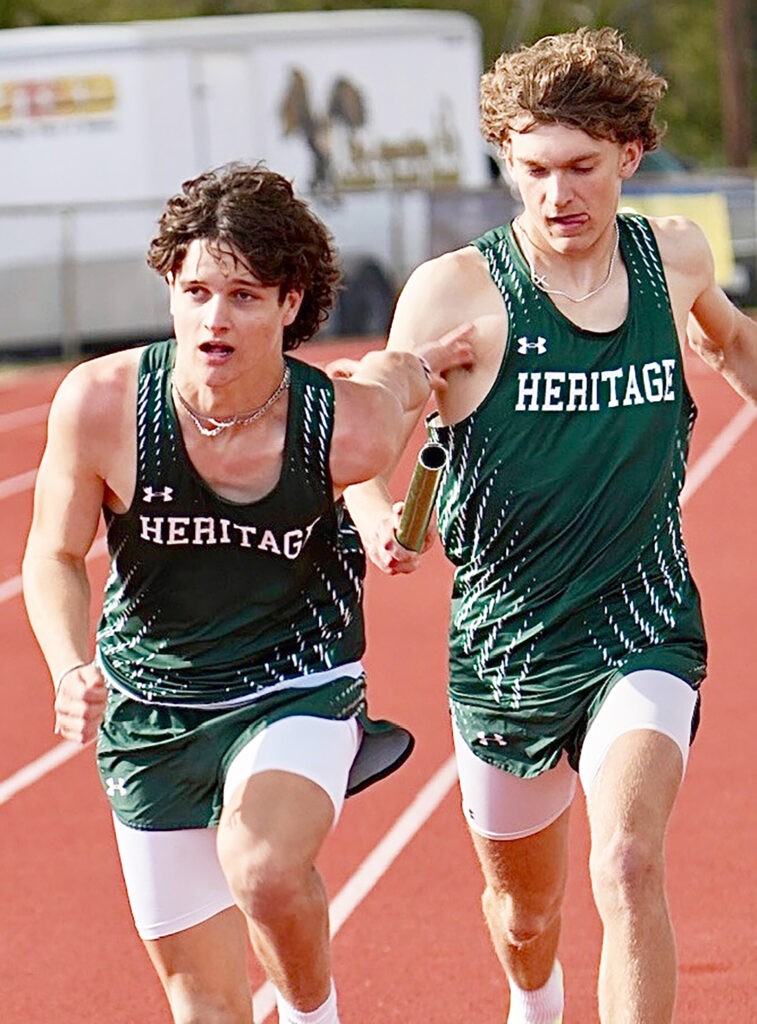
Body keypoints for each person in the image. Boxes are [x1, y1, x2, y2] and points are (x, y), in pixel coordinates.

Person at [343, 27, 757, 1024]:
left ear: (628, 155)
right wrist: (372, 519)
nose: (555, 194)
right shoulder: (454, 291)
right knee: (527, 914)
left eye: (578, 167)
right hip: (507, 646)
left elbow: (735, 340)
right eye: (530, 170)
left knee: (624, 857)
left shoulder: (674, 259)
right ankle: (534, 1000)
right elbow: (367, 430)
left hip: (643, 618)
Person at [21, 162, 472, 1024]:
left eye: (243, 295)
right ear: (169, 290)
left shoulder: (350, 427)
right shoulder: (102, 404)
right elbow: (51, 553)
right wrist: (70, 665)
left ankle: (311, 1013)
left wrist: (422, 363)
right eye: (195, 291)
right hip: (152, 707)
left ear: (290, 303)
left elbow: (397, 382)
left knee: (262, 867)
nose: (213, 318)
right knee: (206, 1005)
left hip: (294, 688)